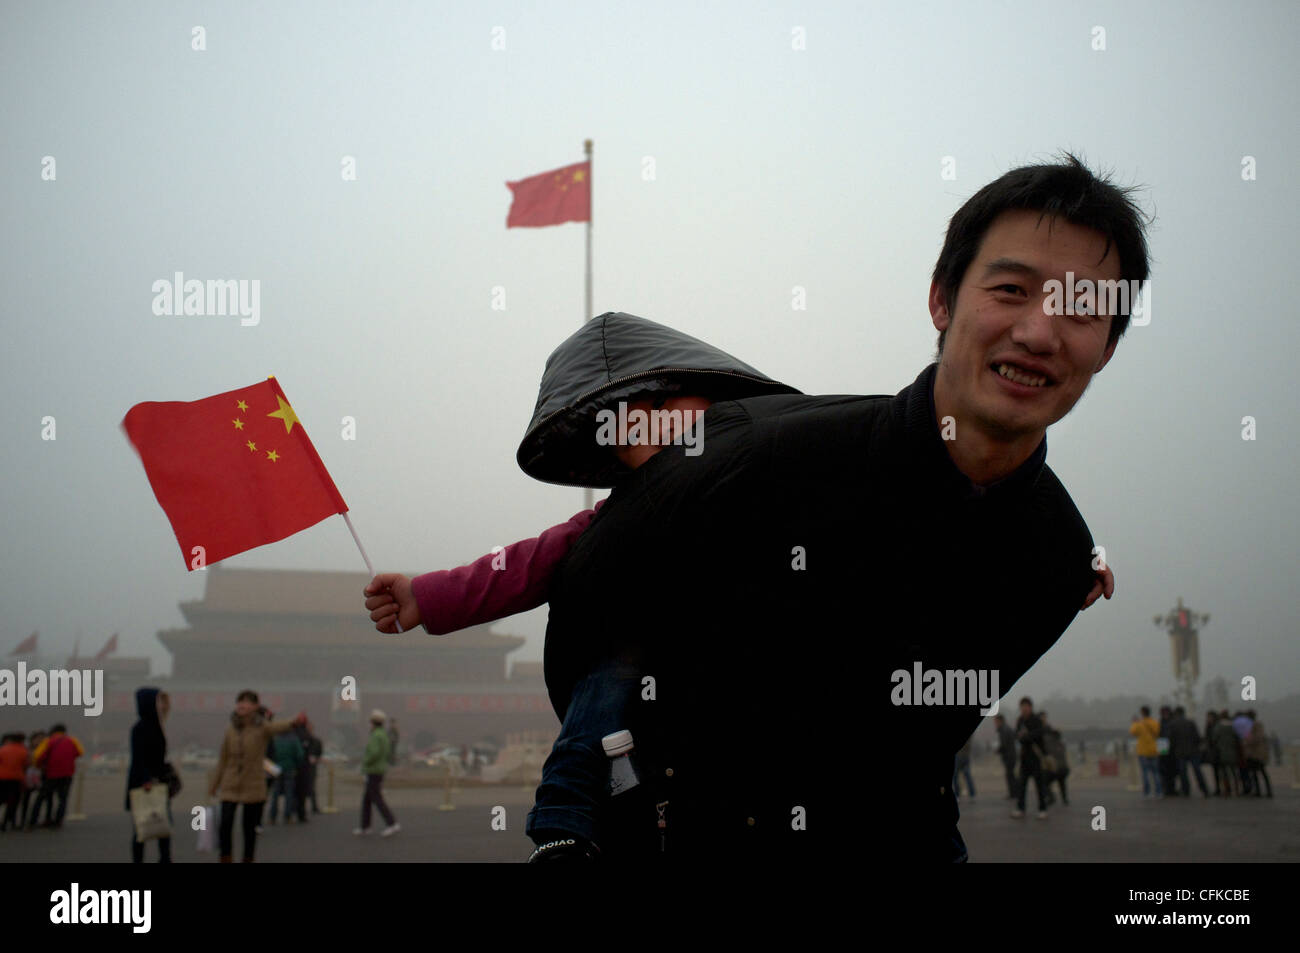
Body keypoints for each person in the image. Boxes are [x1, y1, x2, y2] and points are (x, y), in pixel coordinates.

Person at [364, 303, 1117, 860]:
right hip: (658, 693)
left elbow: (918, 518)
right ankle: (562, 821)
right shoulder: (604, 528)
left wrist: (1055, 560)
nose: (655, 432)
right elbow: (521, 567)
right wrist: (426, 596)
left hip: (808, 716)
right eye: (632, 424)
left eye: (671, 409)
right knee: (609, 676)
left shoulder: (797, 474)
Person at [208, 691, 296, 862]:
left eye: (247, 702)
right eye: (240, 701)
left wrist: (294, 722)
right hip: (230, 783)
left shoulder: (262, 727)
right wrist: (214, 784)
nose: (242, 705)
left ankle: (248, 858)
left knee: (249, 828)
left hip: (253, 784)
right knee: (225, 824)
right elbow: (223, 759)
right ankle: (226, 857)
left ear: (255, 706)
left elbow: (277, 727)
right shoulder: (230, 730)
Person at [126, 688, 174, 862]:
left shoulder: (158, 725)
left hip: (159, 781)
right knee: (142, 826)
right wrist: (145, 779)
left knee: (163, 825)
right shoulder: (140, 728)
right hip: (144, 782)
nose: (162, 705)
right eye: (158, 701)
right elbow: (138, 758)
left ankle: (165, 859)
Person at [31, 723, 84, 828]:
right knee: (63, 798)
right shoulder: (72, 740)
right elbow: (80, 752)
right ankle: (58, 821)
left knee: (42, 797)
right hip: (67, 774)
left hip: (51, 774)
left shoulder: (48, 741)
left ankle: (34, 820)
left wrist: (39, 766)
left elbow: (37, 756)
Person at [355, 710, 399, 837]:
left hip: (373, 770)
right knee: (367, 799)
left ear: (372, 722)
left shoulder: (376, 736)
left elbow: (373, 753)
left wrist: (365, 763)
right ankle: (365, 826)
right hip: (379, 769)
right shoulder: (384, 735)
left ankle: (392, 823)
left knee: (377, 798)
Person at [1012, 698, 1049, 820]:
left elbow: (1039, 734)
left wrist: (1026, 736)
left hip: (1036, 758)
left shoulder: (1036, 720)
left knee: (1039, 785)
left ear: (1031, 707)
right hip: (1024, 758)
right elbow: (1017, 736)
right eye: (1022, 706)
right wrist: (1024, 737)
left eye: (1026, 706)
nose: (1024, 709)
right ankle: (1020, 808)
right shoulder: (1020, 720)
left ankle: (1042, 809)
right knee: (1021, 784)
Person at [267, 722, 304, 824]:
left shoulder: (275, 739)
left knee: (275, 794)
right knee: (289, 793)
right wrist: (296, 765)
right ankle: (288, 816)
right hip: (290, 768)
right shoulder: (294, 739)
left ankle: (272, 817)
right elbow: (300, 755)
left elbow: (270, 754)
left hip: (276, 768)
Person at [1168, 706, 1208, 798]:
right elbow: (1197, 737)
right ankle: (1204, 789)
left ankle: (1186, 791)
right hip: (1193, 751)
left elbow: (1171, 740)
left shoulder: (1173, 724)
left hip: (1180, 752)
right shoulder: (1191, 723)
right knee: (1197, 771)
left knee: (1183, 773)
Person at [293, 714, 322, 818]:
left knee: (298, 789)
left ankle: (294, 810)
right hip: (305, 767)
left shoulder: (294, 735)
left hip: (298, 766)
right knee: (304, 789)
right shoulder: (308, 737)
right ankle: (301, 812)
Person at [1130, 706, 1161, 798]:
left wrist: (1135, 722)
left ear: (1143, 713)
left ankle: (1147, 792)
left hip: (1143, 751)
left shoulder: (1140, 724)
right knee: (1156, 772)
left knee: (1145, 772)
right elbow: (1158, 733)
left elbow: (1132, 732)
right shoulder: (1155, 723)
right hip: (1154, 750)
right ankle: (1159, 791)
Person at [1040, 713, 1070, 806]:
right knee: (1062, 782)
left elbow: (1045, 751)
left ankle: (1051, 797)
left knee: (1044, 781)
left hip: (1055, 768)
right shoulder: (1060, 742)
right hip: (1064, 768)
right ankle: (1065, 799)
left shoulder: (1047, 740)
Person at [1210, 710, 1241, 796]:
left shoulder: (1219, 726)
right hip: (1233, 751)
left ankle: (1227, 790)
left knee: (1224, 772)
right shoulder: (1233, 726)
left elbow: (1214, 738)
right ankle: (1237, 789)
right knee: (1234, 771)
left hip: (1222, 751)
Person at [0, 733, 26, 831]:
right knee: (12, 802)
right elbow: (27, 764)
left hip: (1, 778)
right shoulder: (23, 751)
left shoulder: (3, 749)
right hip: (16, 779)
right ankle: (6, 823)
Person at [1243, 711, 1272, 798]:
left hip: (1257, 753)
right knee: (1256, 773)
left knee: (1261, 772)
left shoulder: (1256, 725)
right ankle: (1260, 791)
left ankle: (1267, 791)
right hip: (1254, 753)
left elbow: (1257, 738)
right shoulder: (1254, 725)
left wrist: (1248, 741)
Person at [19, 730, 45, 828]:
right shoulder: (26, 749)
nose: (40, 741)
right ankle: (23, 820)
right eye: (38, 738)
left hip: (41, 776)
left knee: (42, 799)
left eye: (42, 739)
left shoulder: (46, 749)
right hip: (28, 776)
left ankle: (34, 819)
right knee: (25, 799)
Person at [993, 714, 1019, 799]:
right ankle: (1014, 792)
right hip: (1011, 755)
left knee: (1010, 776)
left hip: (1009, 757)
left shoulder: (1004, 730)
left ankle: (1013, 793)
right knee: (1010, 775)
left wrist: (998, 750)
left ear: (1000, 721)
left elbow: (1004, 745)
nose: (995, 724)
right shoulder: (1006, 729)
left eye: (996, 721)